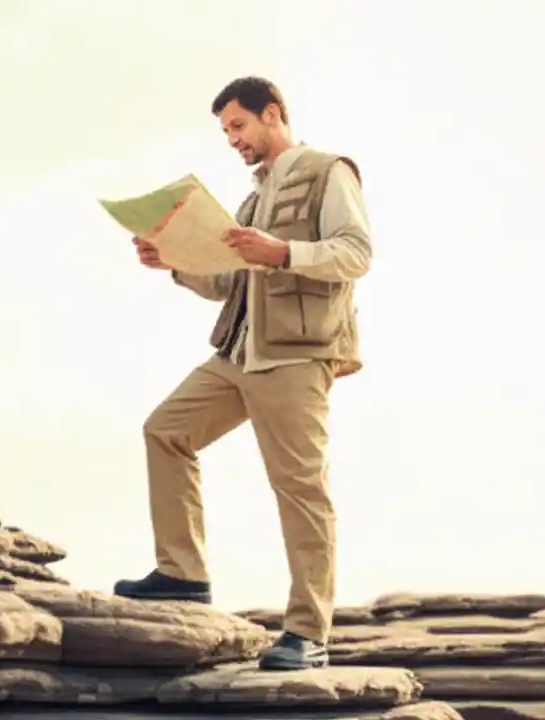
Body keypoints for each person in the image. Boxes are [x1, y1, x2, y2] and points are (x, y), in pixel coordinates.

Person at [115, 76, 372, 672]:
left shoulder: (329, 171)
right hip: (236, 356)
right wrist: (171, 260)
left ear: (272, 114)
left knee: (300, 491)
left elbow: (356, 253)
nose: (232, 139)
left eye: (238, 126)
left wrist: (281, 251)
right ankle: (183, 574)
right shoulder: (252, 200)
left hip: (295, 358)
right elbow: (230, 280)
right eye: (226, 130)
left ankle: (309, 634)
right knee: (165, 431)